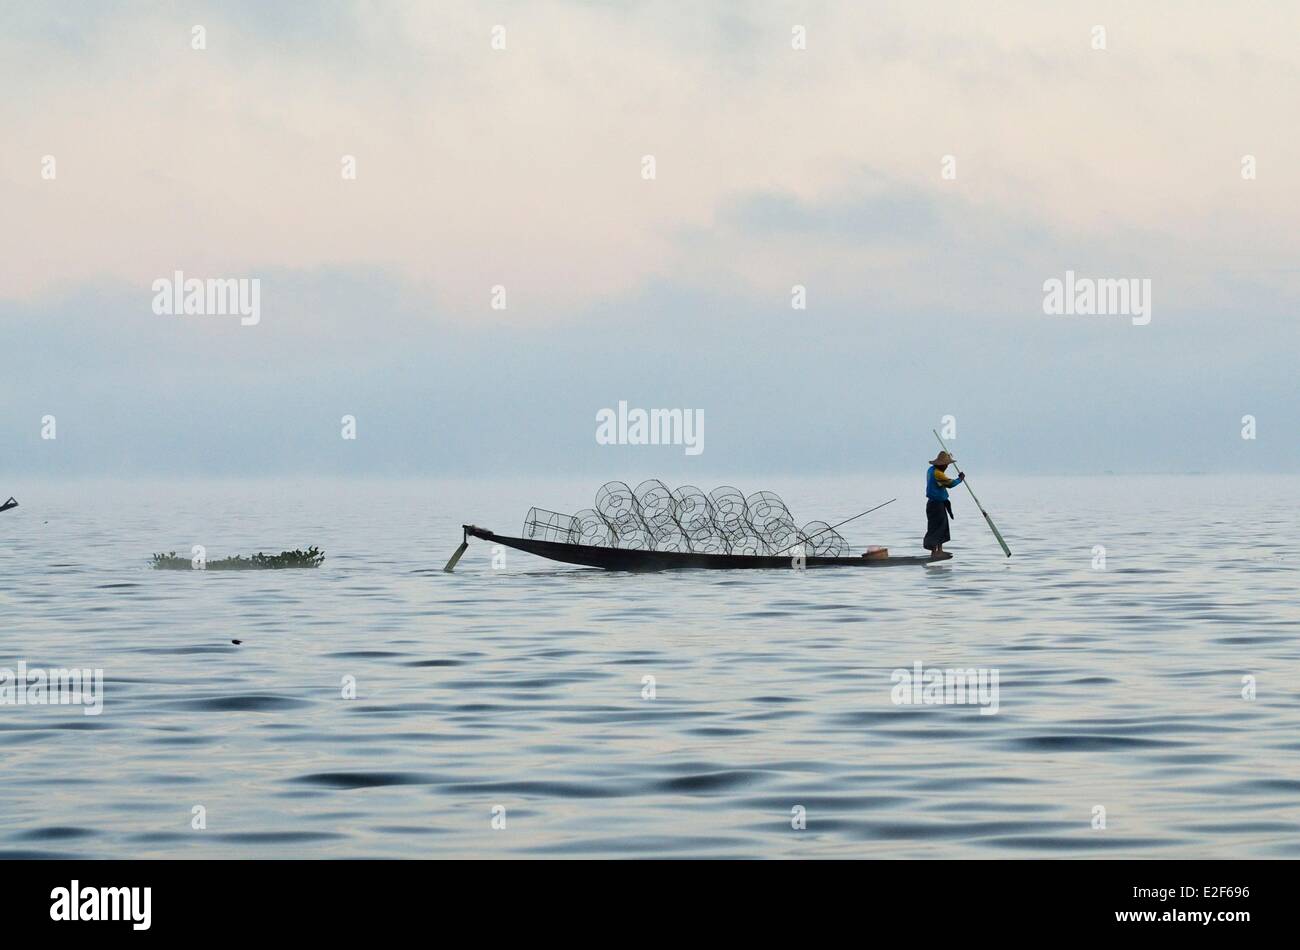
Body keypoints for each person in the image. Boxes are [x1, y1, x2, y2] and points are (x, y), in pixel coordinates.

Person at [924, 452, 964, 559]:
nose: (947, 466)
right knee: (937, 528)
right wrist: (960, 479)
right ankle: (934, 551)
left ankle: (939, 550)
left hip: (936, 503)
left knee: (941, 526)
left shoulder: (930, 470)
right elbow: (950, 484)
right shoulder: (937, 473)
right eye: (946, 464)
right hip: (936, 504)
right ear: (941, 465)